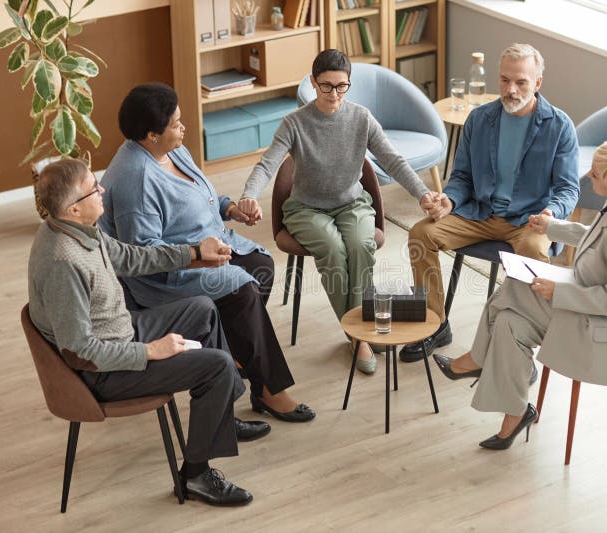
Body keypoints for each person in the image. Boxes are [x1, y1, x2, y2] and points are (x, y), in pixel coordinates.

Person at [28, 159, 273, 506]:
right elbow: (79, 351)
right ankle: (195, 477)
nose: (102, 190)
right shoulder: (63, 263)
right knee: (217, 366)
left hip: (120, 331)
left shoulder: (79, 229)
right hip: (104, 371)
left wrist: (193, 253)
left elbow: (131, 258)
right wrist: (151, 351)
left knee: (203, 308)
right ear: (74, 208)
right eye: (93, 188)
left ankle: (220, 418)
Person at [99, 83, 315, 423]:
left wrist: (230, 209)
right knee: (243, 292)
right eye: (176, 124)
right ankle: (268, 389)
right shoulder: (135, 182)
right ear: (152, 135)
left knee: (260, 264)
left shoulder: (172, 150)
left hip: (206, 246)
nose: (183, 128)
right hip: (168, 276)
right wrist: (196, 253)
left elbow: (200, 194)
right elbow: (142, 255)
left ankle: (237, 355)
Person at [433, 139, 607, 450]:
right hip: (587, 303)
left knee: (515, 286)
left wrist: (558, 292)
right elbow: (597, 238)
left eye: (596, 172)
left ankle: (477, 359)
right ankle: (515, 412)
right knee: (509, 323)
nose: (589, 174)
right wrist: (552, 227)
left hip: (606, 329)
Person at [236, 49, 443, 374]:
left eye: (341, 86)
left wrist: (422, 194)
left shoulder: (361, 118)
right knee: (333, 249)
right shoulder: (295, 123)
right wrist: (248, 195)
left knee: (360, 245)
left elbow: (393, 160)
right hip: (306, 209)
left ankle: (359, 331)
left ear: (349, 83)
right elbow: (267, 164)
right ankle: (360, 336)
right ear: (313, 82)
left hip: (352, 204)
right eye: (326, 86)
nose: (334, 94)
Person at [402, 43, 580, 362]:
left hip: (528, 221)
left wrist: (551, 212)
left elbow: (568, 188)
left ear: (537, 83)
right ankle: (435, 325)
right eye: (505, 80)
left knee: (534, 251)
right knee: (421, 234)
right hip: (479, 213)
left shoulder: (559, 126)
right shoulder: (480, 119)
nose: (511, 90)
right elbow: (462, 176)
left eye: (521, 82)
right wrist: (449, 200)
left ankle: (522, 343)